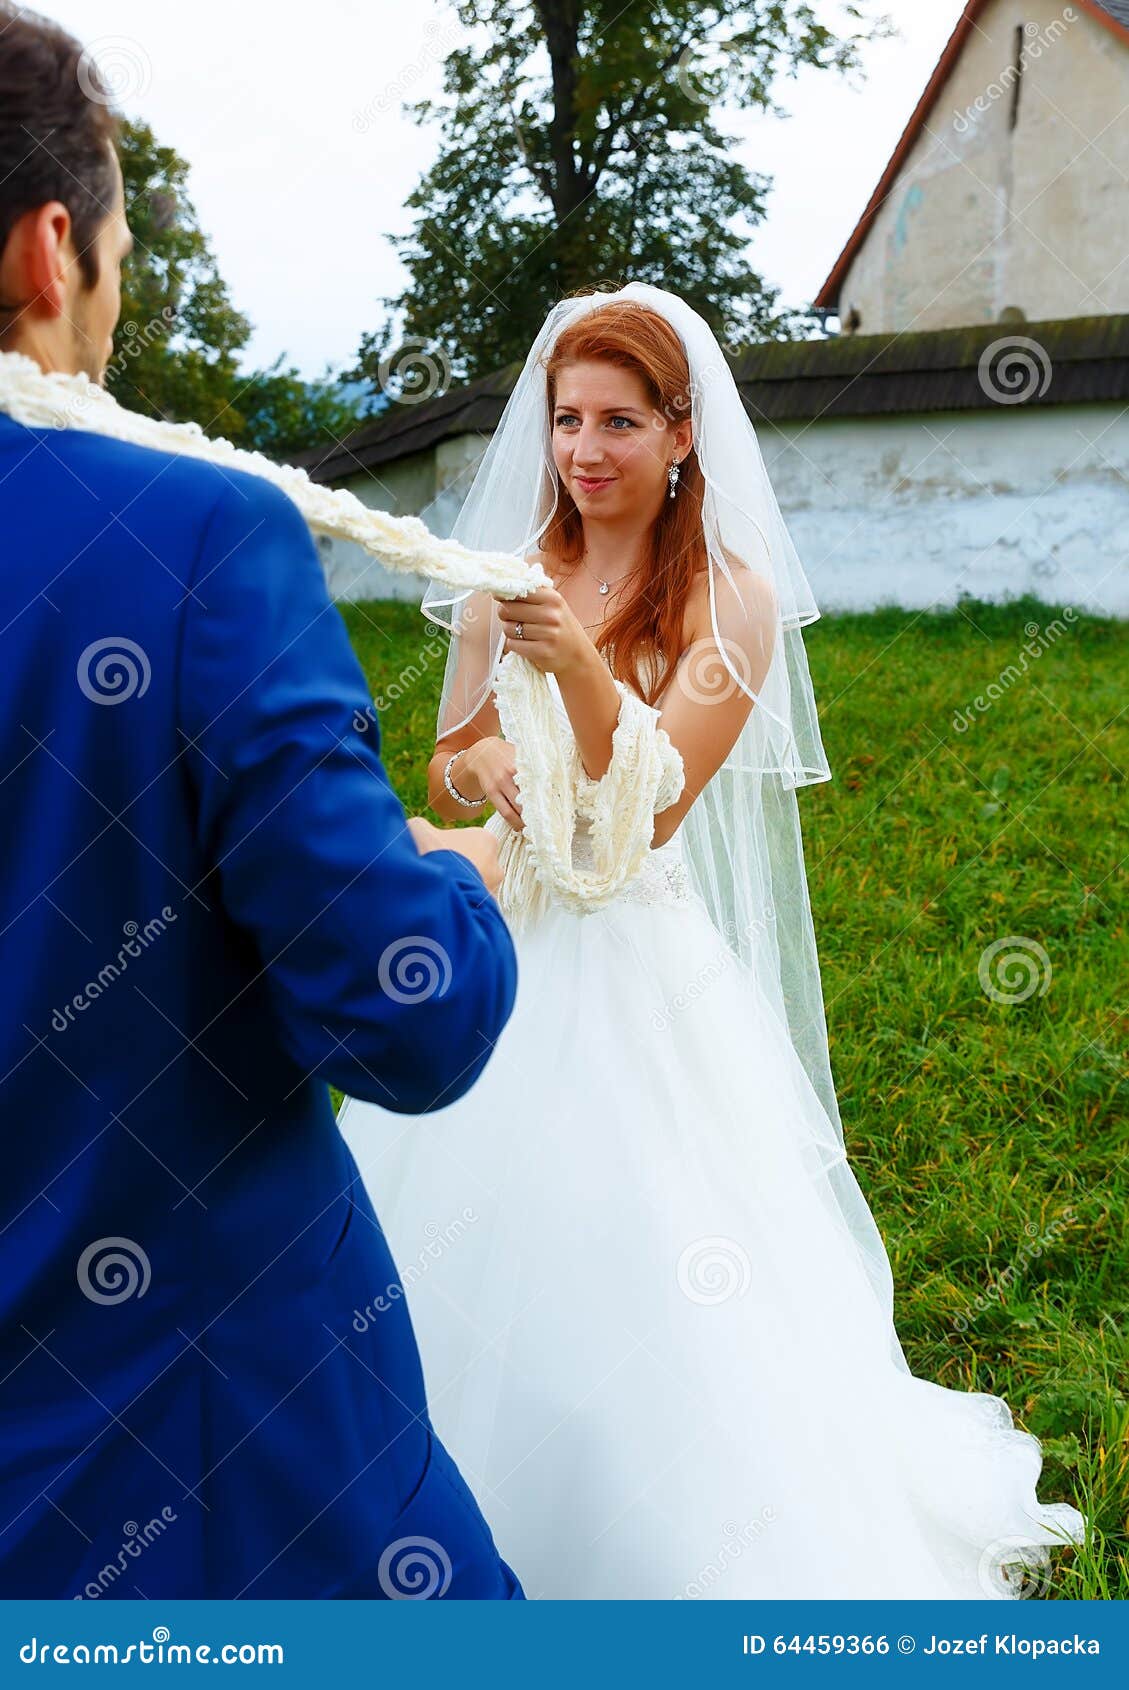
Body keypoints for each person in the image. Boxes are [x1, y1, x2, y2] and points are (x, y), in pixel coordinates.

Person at [338, 283, 1087, 1599]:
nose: (582, 449)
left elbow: (653, 804)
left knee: (659, 1259)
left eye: (619, 421)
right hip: (507, 941)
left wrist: (574, 664)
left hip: (630, 954)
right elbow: (451, 755)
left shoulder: (726, 602)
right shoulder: (503, 579)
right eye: (567, 418)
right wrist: (491, 768)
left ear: (681, 434)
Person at [0, 5, 522, 1600]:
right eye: (122, 245)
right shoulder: (198, 542)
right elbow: (400, 1014)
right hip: (212, 1459)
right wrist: (457, 883)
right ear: (49, 247)